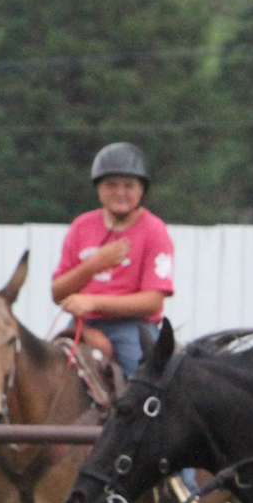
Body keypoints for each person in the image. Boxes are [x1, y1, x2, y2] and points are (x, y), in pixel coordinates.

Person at [51, 142, 175, 374]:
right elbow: (58, 293)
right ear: (99, 188)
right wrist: (93, 266)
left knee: (139, 383)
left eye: (129, 185)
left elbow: (153, 301)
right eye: (111, 185)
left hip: (133, 328)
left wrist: (94, 302)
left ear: (142, 190)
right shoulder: (81, 227)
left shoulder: (154, 231)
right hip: (82, 325)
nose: (120, 192)